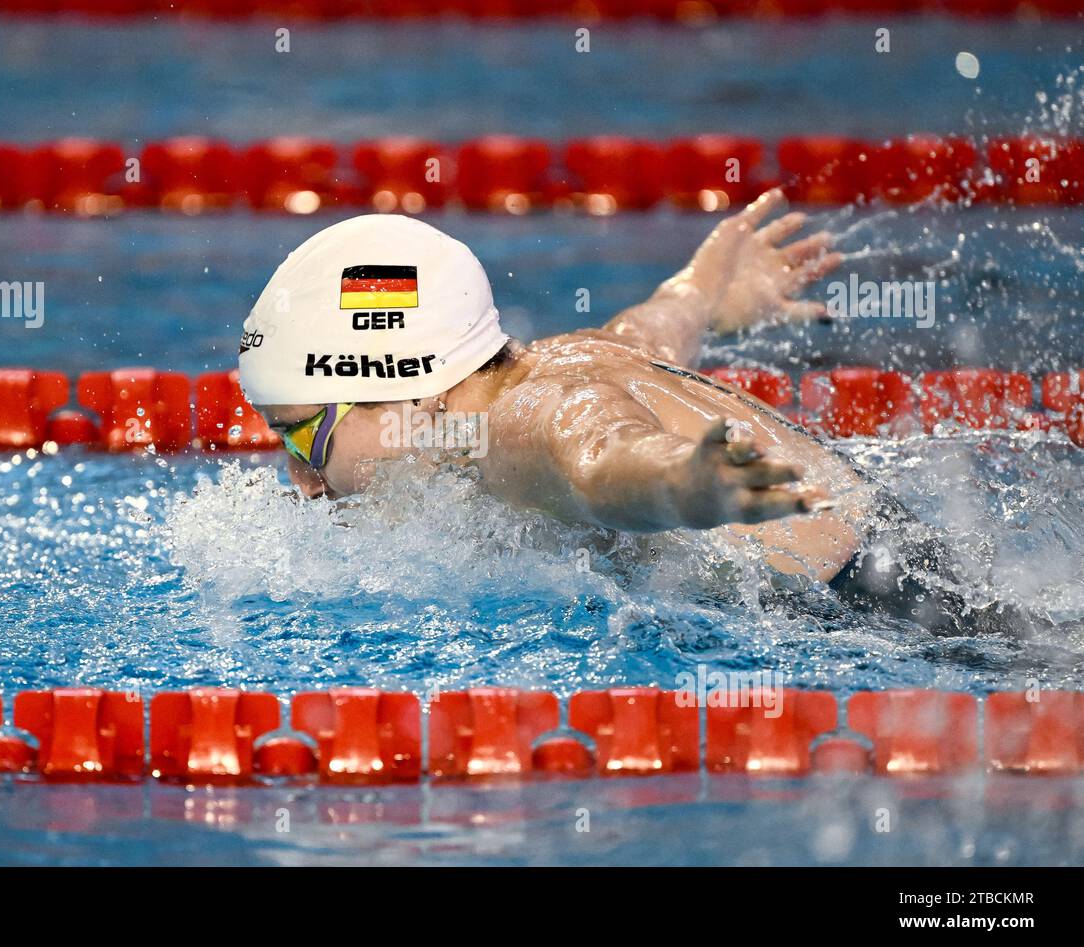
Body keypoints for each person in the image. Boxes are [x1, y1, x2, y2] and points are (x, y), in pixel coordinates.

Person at [236, 192, 1041, 637]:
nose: (300, 479)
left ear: (411, 392)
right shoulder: (550, 362)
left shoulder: (510, 430)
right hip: (901, 560)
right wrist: (702, 297)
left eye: (303, 434)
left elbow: (593, 459)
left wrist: (684, 486)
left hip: (888, 616)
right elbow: (641, 333)